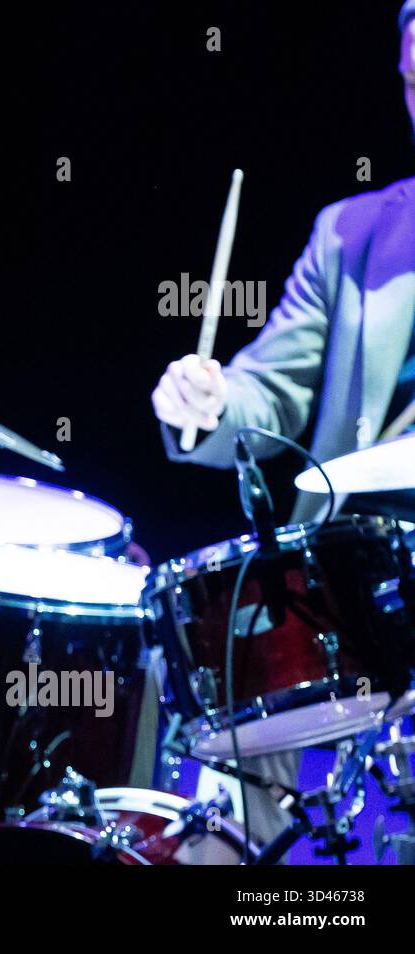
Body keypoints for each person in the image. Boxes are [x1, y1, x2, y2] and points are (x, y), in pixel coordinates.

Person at [150, 1, 415, 849]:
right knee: (236, 731)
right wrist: (212, 402)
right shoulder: (353, 233)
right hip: (355, 573)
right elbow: (270, 394)